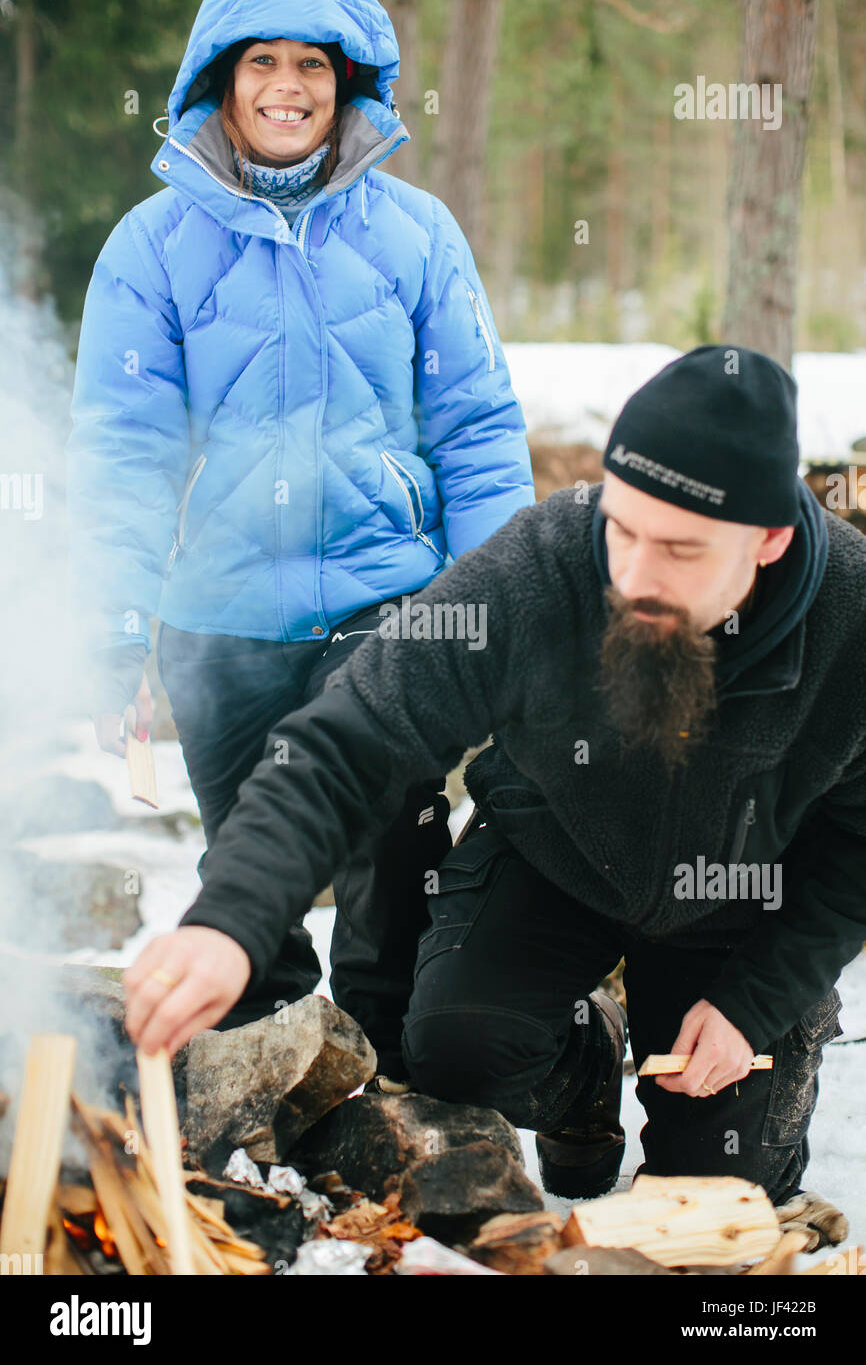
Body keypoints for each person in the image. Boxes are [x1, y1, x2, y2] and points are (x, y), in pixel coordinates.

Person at [126, 345, 866, 1233]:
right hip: (556, 855)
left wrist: (758, 1004)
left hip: (742, 904)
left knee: (721, 1199)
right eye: (623, 530)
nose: (632, 577)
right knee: (457, 1048)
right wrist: (231, 918)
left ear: (771, 538)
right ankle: (588, 1070)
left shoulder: (852, 623)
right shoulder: (540, 568)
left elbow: (858, 847)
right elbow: (353, 735)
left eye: (679, 551)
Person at [66, 0, 534, 1078]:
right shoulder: (150, 245)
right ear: (219, 80)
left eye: (313, 64)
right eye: (261, 61)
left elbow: (474, 428)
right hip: (217, 621)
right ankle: (270, 1104)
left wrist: (500, 614)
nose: (287, 85)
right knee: (250, 890)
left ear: (349, 82)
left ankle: (402, 1116)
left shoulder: (417, 234)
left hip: (386, 606)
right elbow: (123, 456)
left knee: (390, 883)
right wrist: (115, 635)